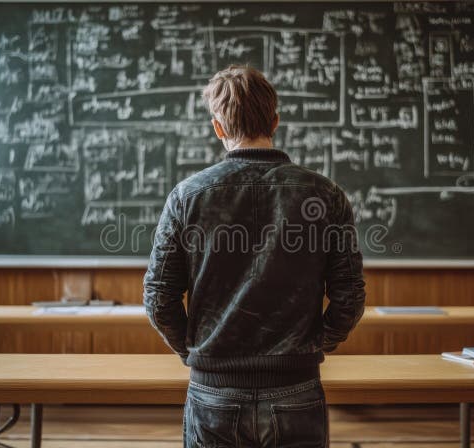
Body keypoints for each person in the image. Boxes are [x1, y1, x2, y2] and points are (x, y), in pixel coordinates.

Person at [143, 65, 366, 447]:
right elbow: (350, 296)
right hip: (297, 387)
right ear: (275, 121)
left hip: (213, 391)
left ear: (218, 128)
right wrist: (315, 344)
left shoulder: (187, 196)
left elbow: (159, 298)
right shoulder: (325, 193)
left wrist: (195, 352)